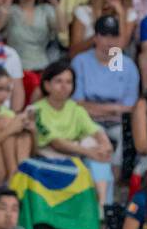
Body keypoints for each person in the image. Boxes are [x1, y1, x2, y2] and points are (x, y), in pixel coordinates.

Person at [32, 58, 115, 210]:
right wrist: (89, 152)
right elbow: (56, 143)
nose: (64, 87)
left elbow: (96, 131)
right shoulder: (37, 110)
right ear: (47, 85)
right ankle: (102, 209)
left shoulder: (75, 109)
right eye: (59, 81)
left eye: (69, 82)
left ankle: (102, 208)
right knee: (92, 150)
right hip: (48, 158)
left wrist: (105, 146)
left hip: (74, 155)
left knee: (99, 153)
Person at [71, 14, 141, 166]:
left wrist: (95, 108)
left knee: (123, 138)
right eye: (104, 35)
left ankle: (118, 180)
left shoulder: (126, 65)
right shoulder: (81, 61)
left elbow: (129, 109)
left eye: (113, 36)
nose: (109, 41)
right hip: (87, 122)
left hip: (118, 124)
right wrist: (114, 108)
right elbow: (78, 104)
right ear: (95, 37)